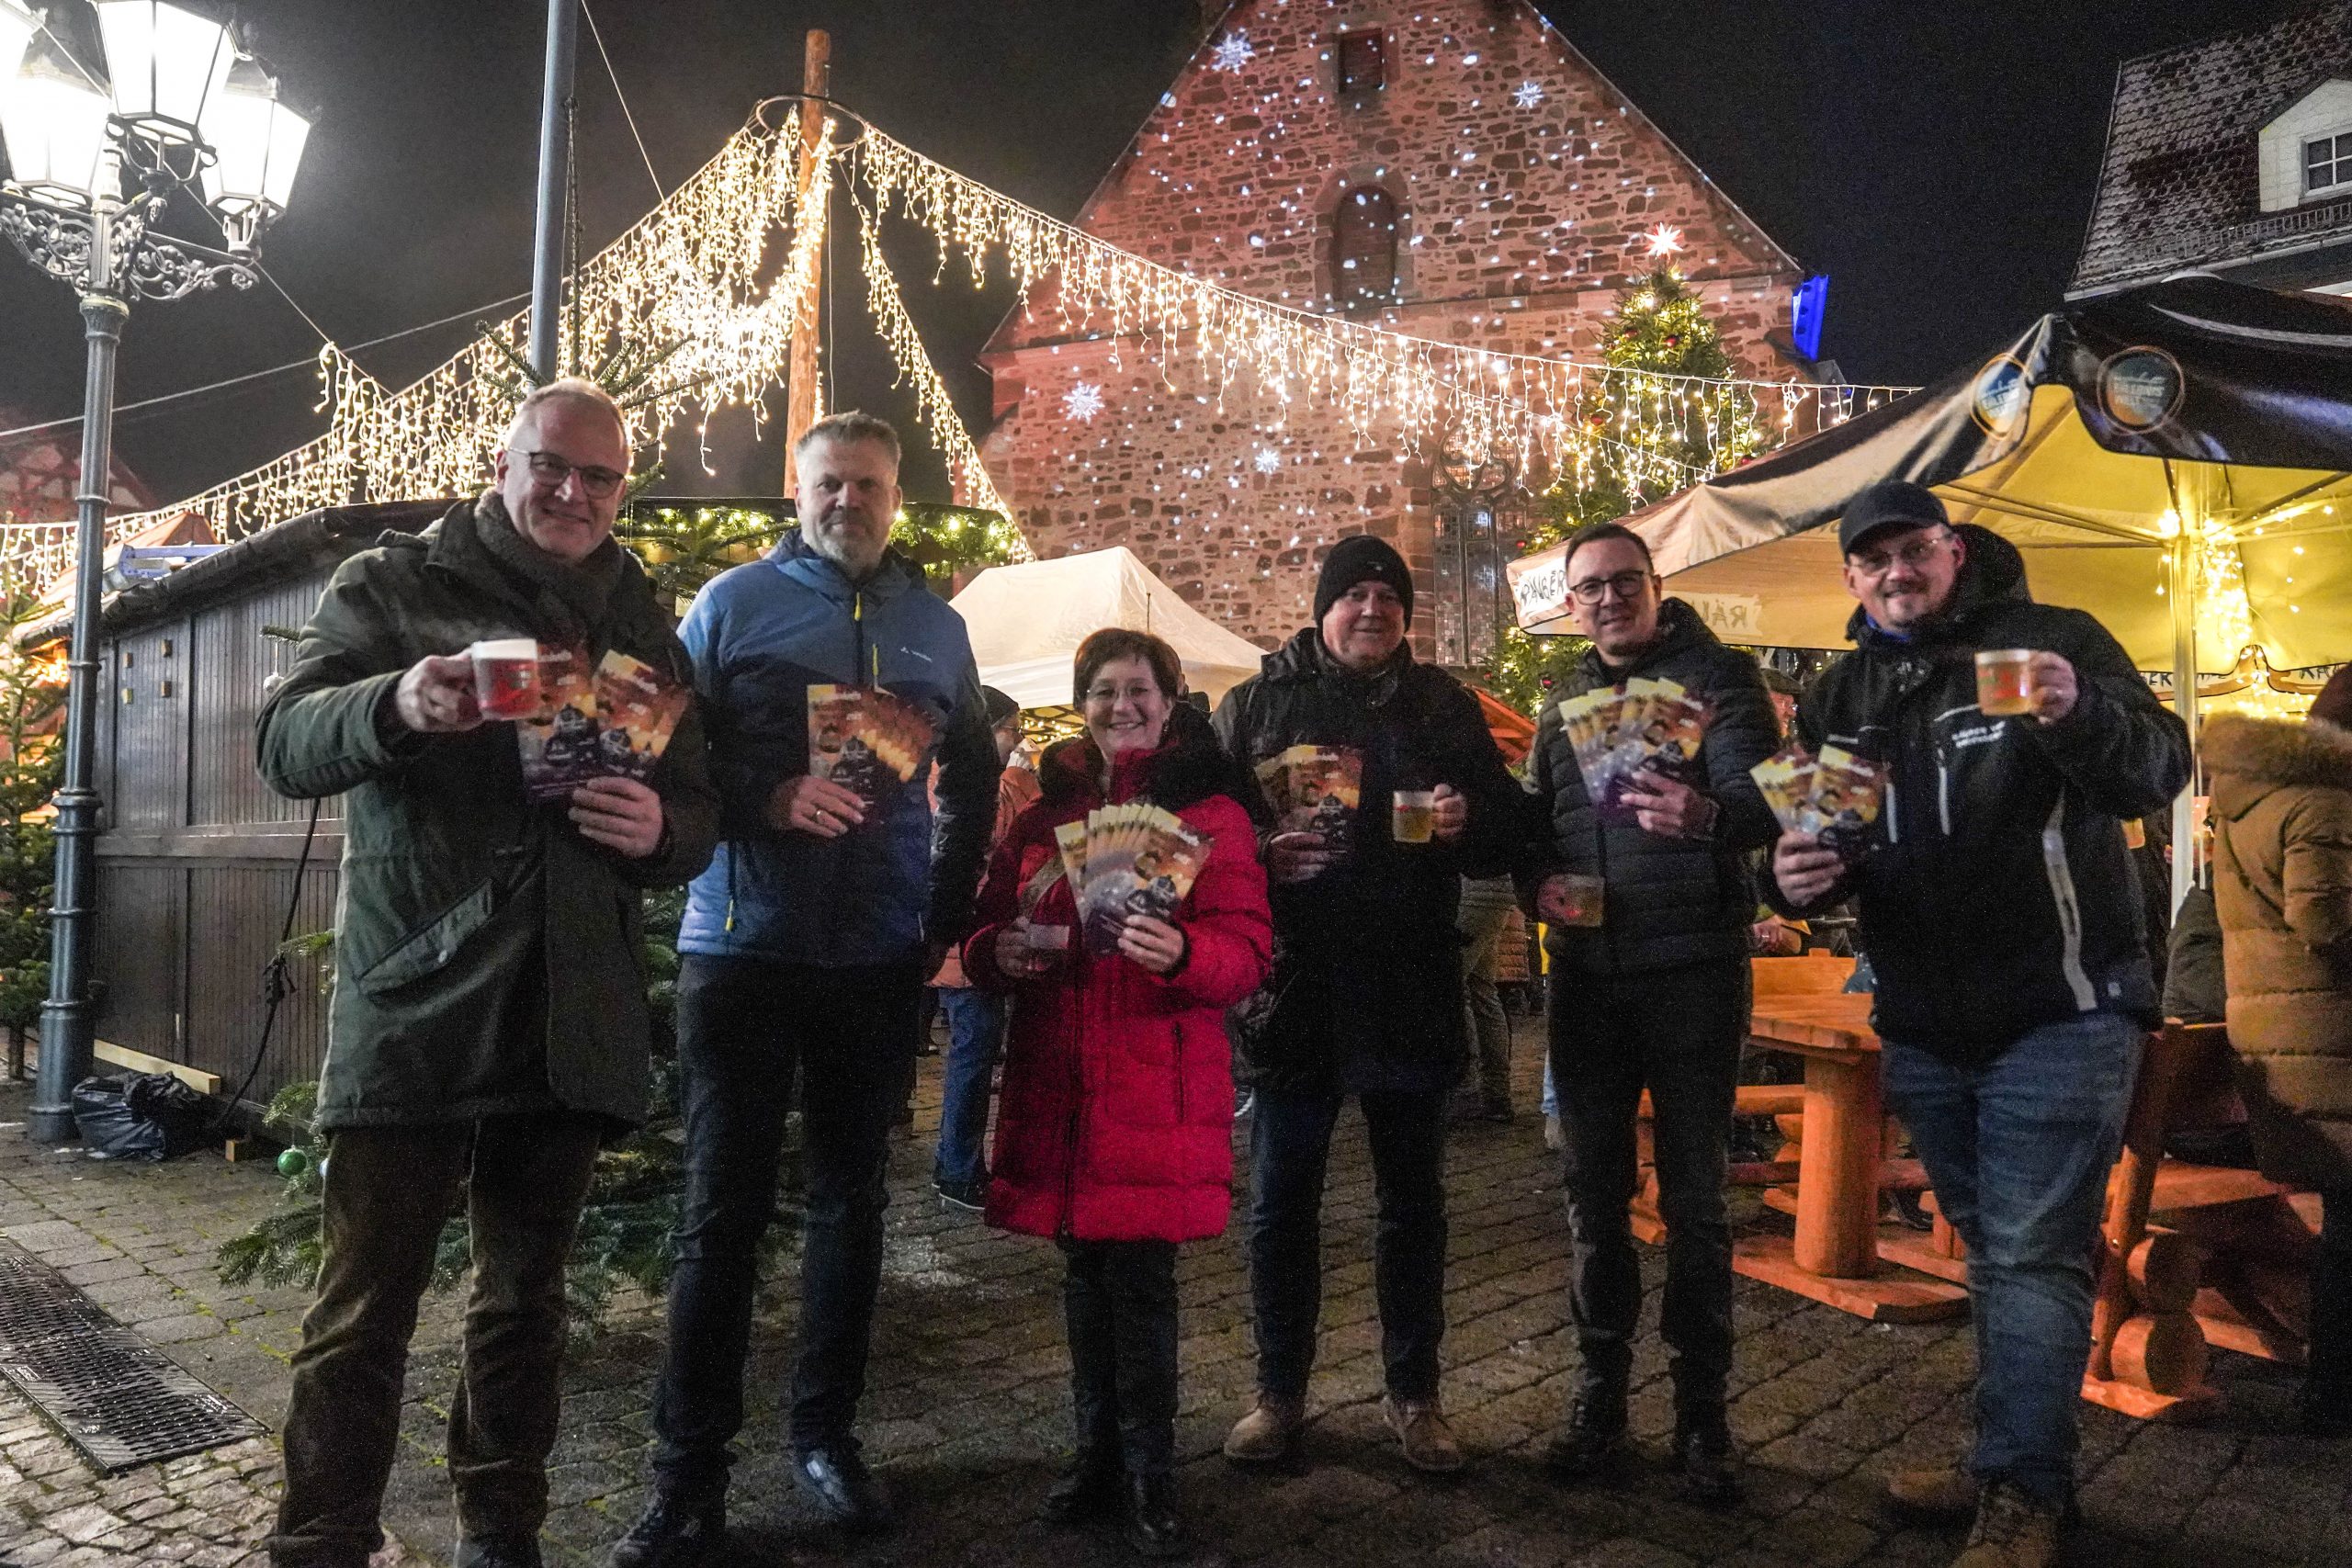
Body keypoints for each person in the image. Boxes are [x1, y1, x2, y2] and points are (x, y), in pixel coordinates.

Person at [257, 380, 720, 1568]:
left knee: (525, 1307)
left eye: (601, 477)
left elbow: (698, 805)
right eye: (551, 466)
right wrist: (398, 698)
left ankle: (500, 1538)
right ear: (505, 460)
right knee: (362, 1310)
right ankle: (321, 1542)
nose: (574, 493)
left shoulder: (642, 625)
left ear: (622, 487)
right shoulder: (395, 583)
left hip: (571, 1008)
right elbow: (284, 739)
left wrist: (656, 831)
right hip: (417, 992)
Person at [1769, 481, 2188, 1568]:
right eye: (1872, 561)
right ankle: (2006, 1457)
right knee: (1994, 1254)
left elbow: (2157, 768)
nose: (1895, 574)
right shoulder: (1841, 693)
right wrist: (1793, 877)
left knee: (2032, 1258)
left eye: (1912, 551)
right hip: (1920, 1020)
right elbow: (1825, 839)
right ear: (1849, 579)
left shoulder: (2053, 639)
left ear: (1951, 550)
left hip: (2062, 1009)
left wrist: (2073, 707)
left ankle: (2023, 1494)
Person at [612, 412, 1001, 1562]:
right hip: (739, 948)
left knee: (852, 1210)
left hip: (875, 958)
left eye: (869, 486)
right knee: (719, 1216)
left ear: (897, 495)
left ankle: (826, 1441)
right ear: (799, 491)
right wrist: (769, 797)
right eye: (829, 484)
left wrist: (945, 910)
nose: (849, 503)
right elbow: (668, 756)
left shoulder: (938, 626)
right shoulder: (731, 604)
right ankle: (687, 1474)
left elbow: (975, 773)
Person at [1211, 535, 1525, 1473]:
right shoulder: (1257, 704)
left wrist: (1473, 822)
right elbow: (1208, 835)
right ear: (1322, 609)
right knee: (1281, 1204)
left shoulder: (1443, 705)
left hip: (1406, 983)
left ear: (1404, 616)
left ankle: (1414, 1394)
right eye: (1352, 595)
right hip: (1298, 987)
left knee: (1413, 1206)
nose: (1372, 609)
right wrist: (1261, 857)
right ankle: (1278, 1394)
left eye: (1387, 596)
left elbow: (1503, 827)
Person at [963, 630, 1272, 1557]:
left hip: (1153, 1080)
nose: (1119, 705)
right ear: (1080, 701)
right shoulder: (1043, 812)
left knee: (1140, 1286)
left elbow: (1248, 947)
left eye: (1137, 688)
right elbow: (986, 923)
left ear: (1170, 701)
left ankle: (1150, 1475)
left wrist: (1183, 953)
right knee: (1082, 1279)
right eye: (1101, 690)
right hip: (1058, 1081)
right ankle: (1095, 1456)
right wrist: (998, 953)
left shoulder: (1212, 809)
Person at [1520, 522, 1781, 1506]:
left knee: (1695, 1204)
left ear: (1655, 585)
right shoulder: (1561, 706)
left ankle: (1702, 1414)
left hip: (1693, 975)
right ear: (1572, 604)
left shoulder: (1720, 680)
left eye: (1622, 582)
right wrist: (1536, 883)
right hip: (1586, 977)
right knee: (1591, 1198)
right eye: (1588, 589)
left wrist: (1712, 818)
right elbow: (1538, 830)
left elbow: (1769, 801)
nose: (1606, 600)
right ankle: (1598, 1399)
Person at [2202, 675, 2352, 1437]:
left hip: (2288, 1040)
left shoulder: (2257, 796)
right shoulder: (2325, 800)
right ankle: (2333, 1398)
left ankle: (2331, 1394)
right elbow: (2327, 921)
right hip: (2330, 1044)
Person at [930, 685, 1042, 1210]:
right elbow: (997, 834)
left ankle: (954, 1163)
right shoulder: (984, 787)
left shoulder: (938, 777)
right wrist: (1021, 775)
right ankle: (957, 1169)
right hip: (967, 946)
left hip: (952, 943)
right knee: (972, 1061)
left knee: (968, 1058)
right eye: (1009, 728)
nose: (1016, 737)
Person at [1453, 874, 1521, 1122]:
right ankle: (1496, 1097)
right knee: (1483, 992)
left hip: (1469, 888)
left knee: (1452, 992)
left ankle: (1465, 1094)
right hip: (1496, 890)